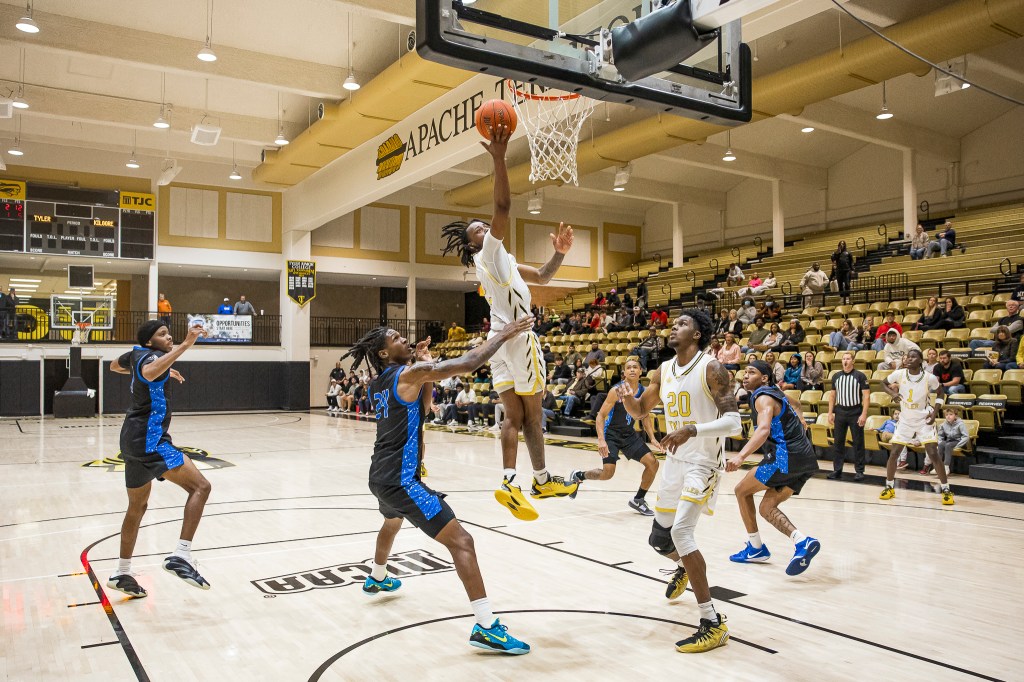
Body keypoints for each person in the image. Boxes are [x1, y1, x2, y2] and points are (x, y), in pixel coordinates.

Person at [342, 318, 534, 654]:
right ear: (385, 353)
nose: (405, 339)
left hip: (380, 477)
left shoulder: (378, 384)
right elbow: (468, 363)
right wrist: (504, 334)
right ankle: (487, 626)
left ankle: (377, 575)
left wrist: (425, 362)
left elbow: (421, 407)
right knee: (463, 541)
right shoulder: (408, 373)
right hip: (401, 481)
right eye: (397, 338)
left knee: (391, 521)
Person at [440, 124, 579, 520]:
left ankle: (508, 482)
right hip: (517, 338)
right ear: (473, 244)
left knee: (513, 418)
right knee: (533, 417)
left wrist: (560, 253)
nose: (486, 228)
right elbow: (502, 208)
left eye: (484, 228)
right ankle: (541, 478)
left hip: (499, 341)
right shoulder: (489, 253)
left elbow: (545, 277)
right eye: (478, 231)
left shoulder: (502, 262)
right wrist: (500, 160)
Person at [618, 309, 740, 654]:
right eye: (674, 323)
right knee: (659, 539)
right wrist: (627, 396)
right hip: (675, 461)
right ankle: (684, 567)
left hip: (703, 462)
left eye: (682, 324)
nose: (674, 327)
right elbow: (642, 411)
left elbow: (734, 423)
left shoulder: (712, 368)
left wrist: (692, 429)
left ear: (698, 334)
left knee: (682, 533)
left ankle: (712, 623)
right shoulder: (663, 370)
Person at [105, 320, 212, 597]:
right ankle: (181, 555)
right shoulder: (150, 358)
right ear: (149, 341)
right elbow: (150, 371)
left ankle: (122, 571)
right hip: (151, 440)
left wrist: (162, 366)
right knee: (200, 487)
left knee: (137, 507)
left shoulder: (137, 354)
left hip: (130, 440)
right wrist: (185, 346)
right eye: (162, 334)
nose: (169, 337)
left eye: (169, 333)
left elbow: (114, 366)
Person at [726, 361, 822, 576]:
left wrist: (741, 456)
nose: (746, 375)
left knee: (742, 491)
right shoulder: (776, 393)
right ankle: (802, 541)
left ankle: (756, 548)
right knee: (766, 508)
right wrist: (801, 420)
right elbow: (796, 403)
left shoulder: (762, 397)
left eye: (752, 372)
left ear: (764, 378)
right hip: (805, 459)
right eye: (746, 371)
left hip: (784, 458)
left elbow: (763, 430)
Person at [570, 358, 662, 516]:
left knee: (653, 463)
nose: (632, 369)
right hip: (611, 434)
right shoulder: (617, 390)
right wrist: (601, 440)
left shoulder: (644, 391)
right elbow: (600, 416)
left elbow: (644, 415)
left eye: (635, 367)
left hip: (629, 435)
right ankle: (579, 475)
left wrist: (652, 438)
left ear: (641, 372)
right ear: (624, 373)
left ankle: (638, 500)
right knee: (607, 474)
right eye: (629, 367)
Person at [879, 348, 954, 505]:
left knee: (933, 454)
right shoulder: (899, 374)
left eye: (913, 357)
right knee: (894, 453)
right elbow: (883, 383)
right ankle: (889, 487)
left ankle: (946, 490)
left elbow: (941, 393)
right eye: (907, 357)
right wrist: (892, 394)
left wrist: (934, 414)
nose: (908, 359)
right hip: (905, 420)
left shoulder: (929, 378)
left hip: (923, 420)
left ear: (921, 361)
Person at [826, 352, 870, 481]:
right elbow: (832, 396)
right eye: (844, 359)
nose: (845, 361)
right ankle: (837, 469)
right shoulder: (836, 376)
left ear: (853, 361)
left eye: (848, 358)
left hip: (855, 411)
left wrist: (864, 414)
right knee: (838, 442)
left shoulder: (860, 376)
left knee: (858, 442)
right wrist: (830, 412)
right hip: (840, 411)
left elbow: (866, 396)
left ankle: (860, 471)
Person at [932, 408, 970, 474]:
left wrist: (958, 446)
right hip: (949, 441)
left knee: (948, 445)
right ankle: (937, 467)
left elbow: (966, 437)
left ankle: (946, 467)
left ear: (955, 415)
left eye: (951, 414)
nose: (948, 416)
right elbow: (940, 435)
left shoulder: (960, 424)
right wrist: (940, 442)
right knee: (941, 445)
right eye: (946, 415)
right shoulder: (944, 424)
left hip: (958, 441)